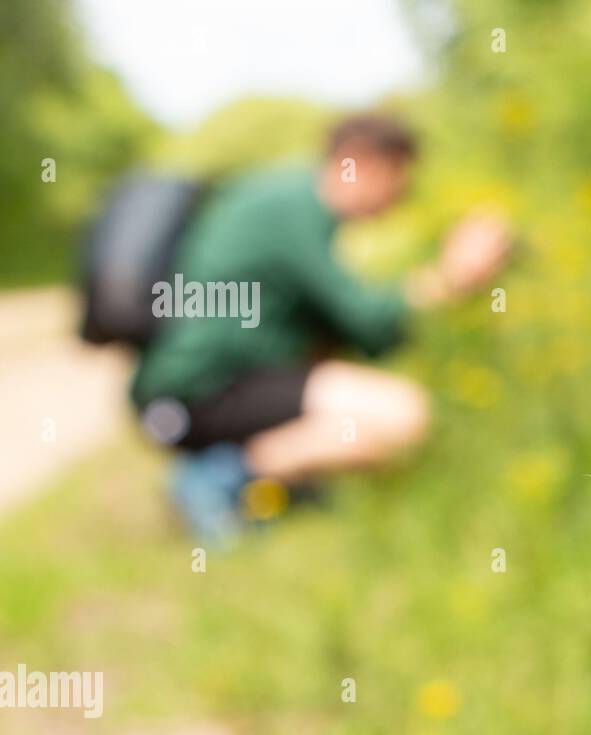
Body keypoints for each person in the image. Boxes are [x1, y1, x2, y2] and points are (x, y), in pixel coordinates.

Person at [130, 114, 510, 541]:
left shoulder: (285, 198)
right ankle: (222, 476)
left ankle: (253, 478)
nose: (401, 196)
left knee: (355, 390)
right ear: (366, 164)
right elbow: (368, 320)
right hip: (198, 389)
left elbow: (349, 331)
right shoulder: (297, 208)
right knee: (404, 415)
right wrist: (452, 278)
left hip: (204, 385)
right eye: (400, 178)